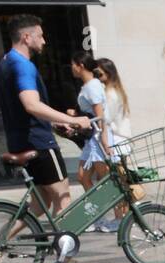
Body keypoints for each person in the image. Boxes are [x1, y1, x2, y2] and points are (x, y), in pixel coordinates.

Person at [0, 14, 94, 263]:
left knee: (39, 203)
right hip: (39, 143)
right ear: (27, 37)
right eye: (41, 35)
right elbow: (30, 105)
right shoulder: (22, 65)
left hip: (23, 140)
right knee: (63, 197)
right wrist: (73, 119)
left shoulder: (5, 63)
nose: (44, 41)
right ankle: (64, 261)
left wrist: (57, 125)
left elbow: (25, 110)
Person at [67, 52, 116, 232]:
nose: (71, 68)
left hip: (98, 137)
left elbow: (100, 114)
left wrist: (103, 138)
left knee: (107, 180)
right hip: (92, 137)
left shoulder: (93, 86)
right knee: (83, 176)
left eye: (73, 64)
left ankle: (120, 217)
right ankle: (99, 216)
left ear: (80, 65)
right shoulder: (89, 85)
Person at [94, 57, 132, 228]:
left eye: (98, 73)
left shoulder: (111, 94)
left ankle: (120, 219)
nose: (96, 76)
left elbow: (106, 118)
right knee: (118, 181)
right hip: (119, 141)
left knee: (116, 182)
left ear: (108, 74)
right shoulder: (115, 91)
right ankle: (121, 217)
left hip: (115, 141)